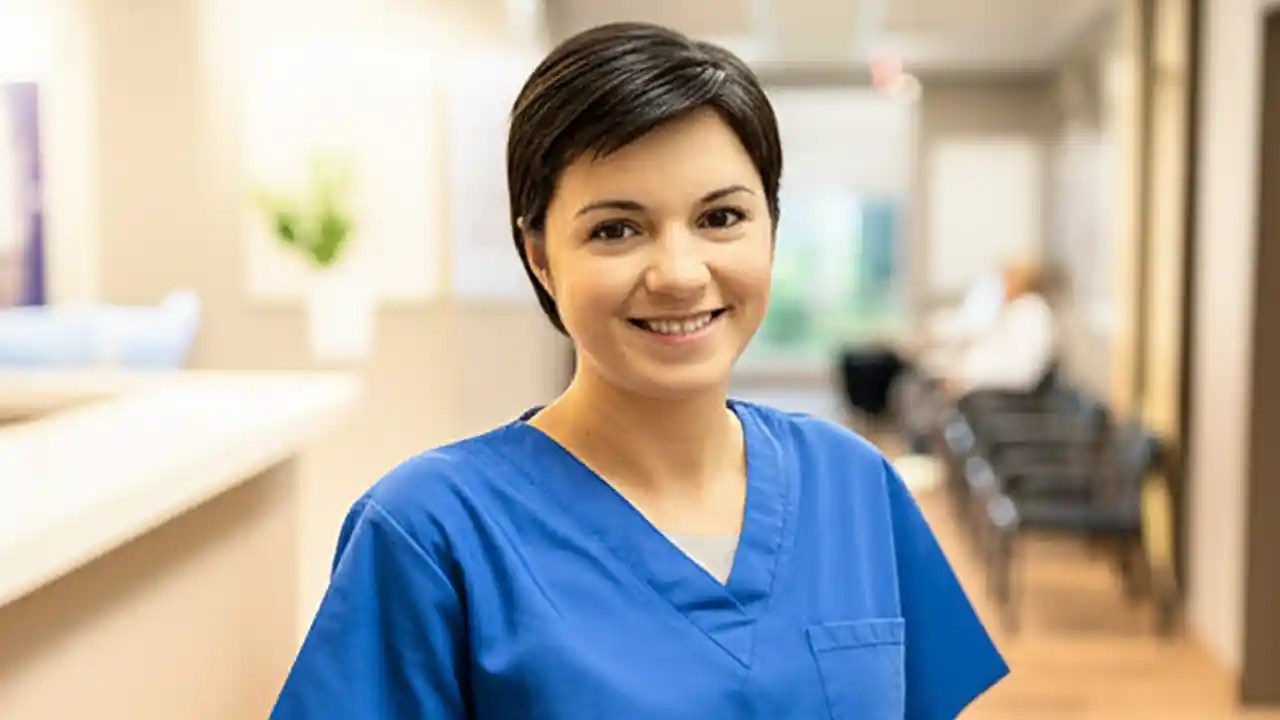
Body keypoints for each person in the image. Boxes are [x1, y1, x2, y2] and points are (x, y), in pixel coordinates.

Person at [269, 22, 1007, 719]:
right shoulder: (432, 533)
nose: (681, 274)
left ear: (772, 228)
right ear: (540, 256)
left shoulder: (851, 485)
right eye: (616, 229)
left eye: (721, 218)